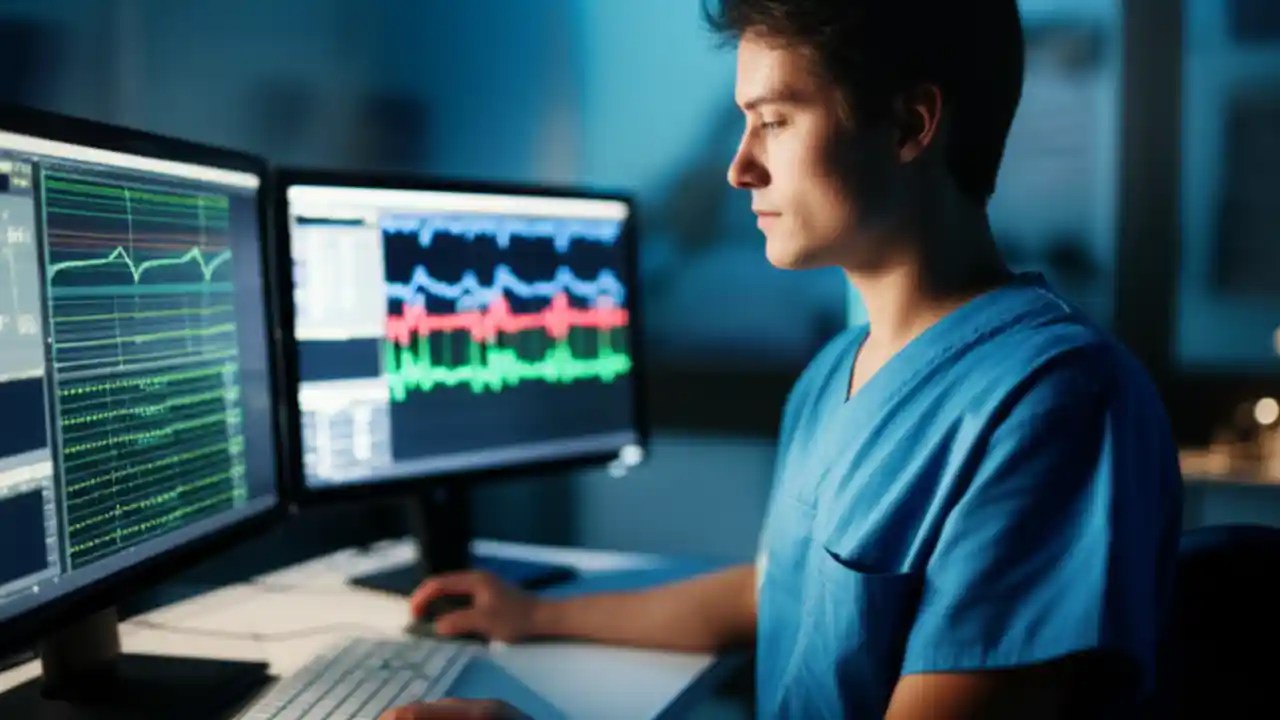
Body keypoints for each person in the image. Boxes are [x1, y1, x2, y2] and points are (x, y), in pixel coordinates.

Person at [382, 1, 1183, 717]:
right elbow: (781, 591)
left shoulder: (1055, 406)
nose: (740, 168)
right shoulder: (833, 373)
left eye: (775, 120)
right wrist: (537, 616)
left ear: (910, 125)